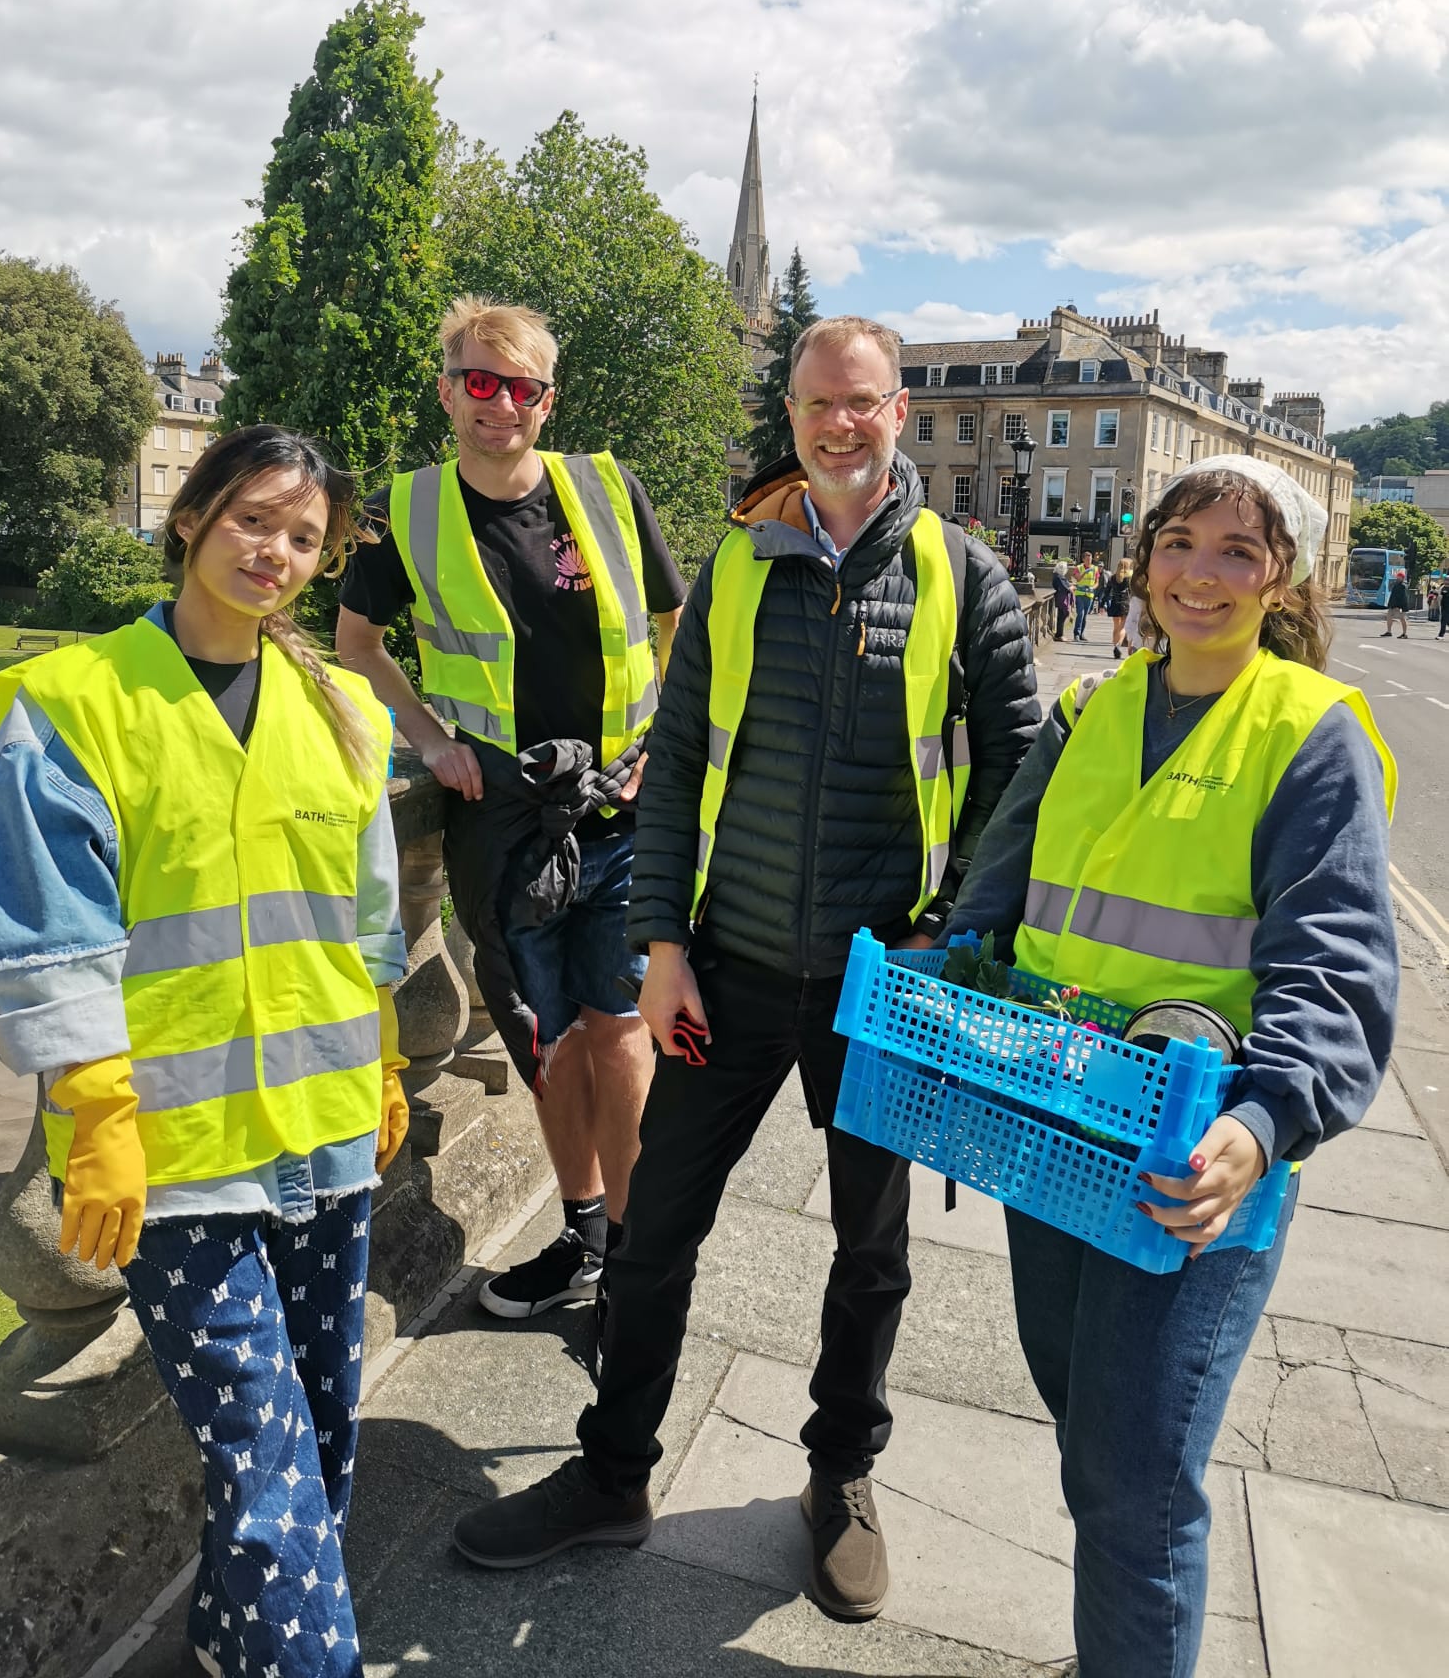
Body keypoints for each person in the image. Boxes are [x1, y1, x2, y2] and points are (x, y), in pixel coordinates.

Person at [452, 315, 1041, 1619]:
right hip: (727, 967)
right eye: (817, 404)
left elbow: (1019, 780)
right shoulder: (737, 566)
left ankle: (841, 1475)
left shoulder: (964, 574)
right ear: (792, 416)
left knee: (871, 1250)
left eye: (864, 402)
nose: (840, 424)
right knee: (654, 1231)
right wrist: (661, 944)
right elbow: (676, 770)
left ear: (899, 413)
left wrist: (952, 933)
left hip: (883, 989)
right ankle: (614, 1472)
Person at [940, 452, 1397, 1678]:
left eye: (1239, 551)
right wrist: (947, 986)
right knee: (1087, 1426)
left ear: (1281, 578)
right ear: (1143, 559)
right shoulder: (1090, 709)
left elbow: (1338, 966)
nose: (1201, 573)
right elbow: (997, 885)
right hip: (1053, 1121)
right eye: (1181, 543)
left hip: (1194, 1157)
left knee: (1136, 1481)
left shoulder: (1310, 734)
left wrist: (1265, 1120)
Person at [0, 426, 410, 1678]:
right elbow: (51, 934)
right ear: (190, 516)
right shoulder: (74, 700)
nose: (275, 550)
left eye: (304, 536)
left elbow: (370, 922)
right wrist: (99, 1112)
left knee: (320, 1432)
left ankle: (226, 1634)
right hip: (172, 1159)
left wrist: (386, 1056)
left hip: (327, 1135)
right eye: (253, 519)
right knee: (265, 1462)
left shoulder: (344, 710)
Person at [336, 297, 686, 1330]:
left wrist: (662, 745)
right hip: (502, 816)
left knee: (620, 1036)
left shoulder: (608, 488)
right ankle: (584, 1235)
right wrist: (429, 737)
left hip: (619, 809)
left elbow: (679, 627)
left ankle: (632, 1252)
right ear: (448, 391)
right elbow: (356, 642)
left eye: (520, 386)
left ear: (548, 399)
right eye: (478, 382)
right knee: (547, 1041)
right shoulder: (404, 509)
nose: (499, 403)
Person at [1105, 556, 1133, 657]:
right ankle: (1118, 645)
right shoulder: (1129, 578)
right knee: (1123, 627)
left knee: (1116, 626)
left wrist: (1103, 603)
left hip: (1114, 603)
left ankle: (1115, 645)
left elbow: (1107, 591)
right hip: (1125, 603)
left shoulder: (1113, 577)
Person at [1072, 550, 1099, 640]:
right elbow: (1078, 579)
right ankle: (1076, 633)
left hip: (1089, 594)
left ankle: (1081, 634)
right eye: (1087, 559)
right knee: (1080, 613)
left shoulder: (1095, 568)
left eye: (1090, 559)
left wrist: (1093, 588)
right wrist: (1085, 572)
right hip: (1080, 593)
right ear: (1083, 559)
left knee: (1085, 615)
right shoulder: (1078, 568)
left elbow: (1097, 582)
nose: (1089, 561)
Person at [1384, 567, 1410, 638]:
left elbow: (1403, 598)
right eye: (1397, 577)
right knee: (1389, 616)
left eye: (1399, 577)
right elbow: (1393, 596)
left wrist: (1399, 607)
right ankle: (1389, 631)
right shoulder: (1396, 585)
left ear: (1402, 578)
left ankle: (1404, 633)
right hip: (1393, 605)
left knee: (1402, 619)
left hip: (1400, 606)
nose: (1397, 578)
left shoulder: (1403, 586)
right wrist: (1390, 604)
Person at [1051, 561, 1073, 642]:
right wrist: (1071, 588)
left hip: (1062, 598)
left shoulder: (1058, 576)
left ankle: (1060, 634)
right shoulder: (1059, 577)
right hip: (1062, 599)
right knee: (1062, 616)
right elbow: (1065, 587)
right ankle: (1059, 635)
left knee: (1063, 615)